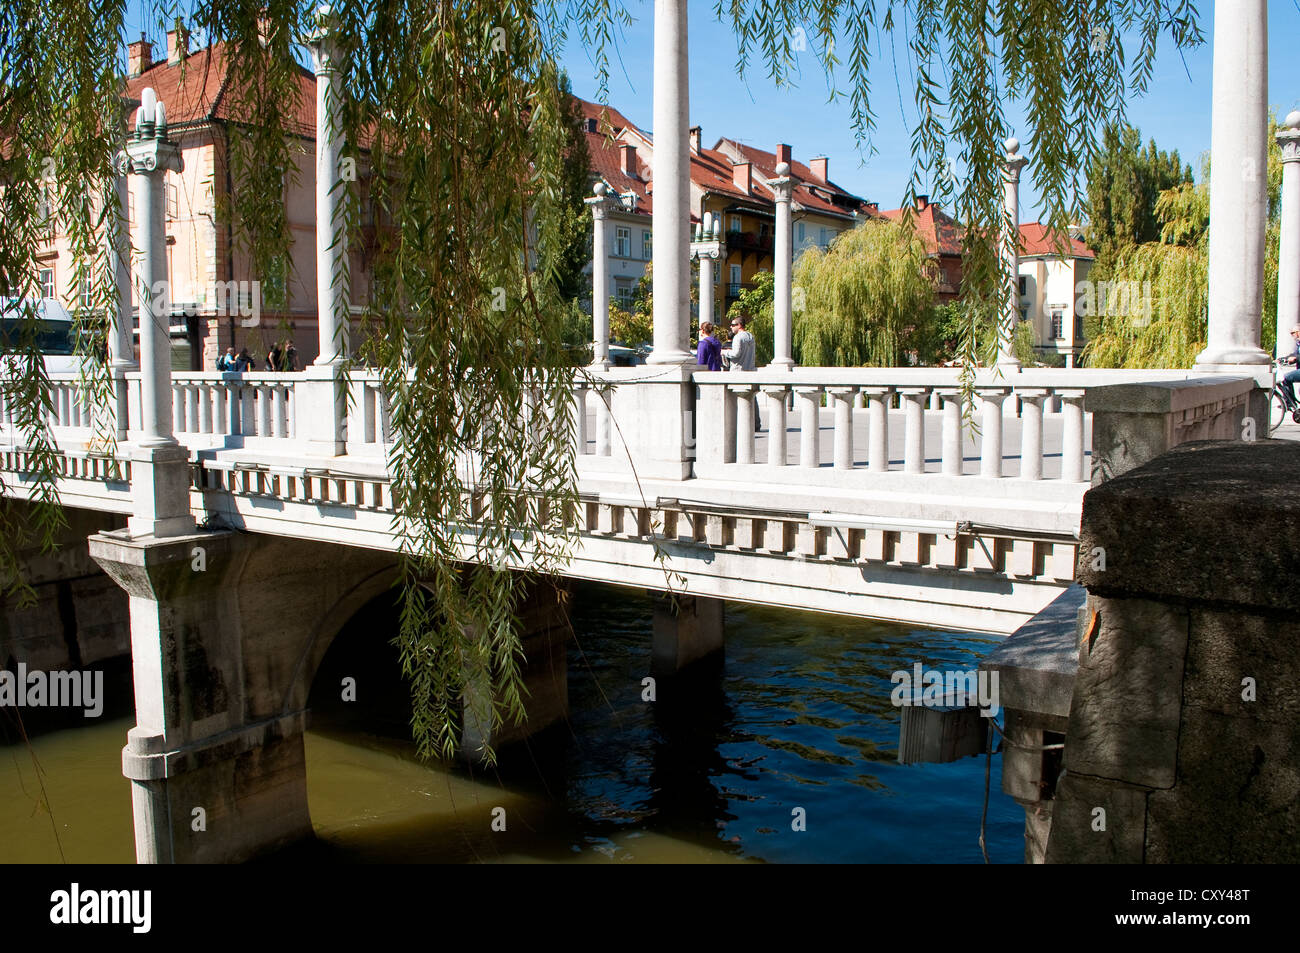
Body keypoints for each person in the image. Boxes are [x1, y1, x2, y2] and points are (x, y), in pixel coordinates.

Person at [722, 314, 760, 430]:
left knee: (736, 399)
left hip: (738, 370)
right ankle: (755, 423)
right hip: (750, 369)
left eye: (733, 325)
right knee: (752, 398)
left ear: (739, 325)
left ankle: (738, 423)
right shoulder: (750, 336)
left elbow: (736, 354)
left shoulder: (738, 337)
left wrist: (724, 352)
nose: (731, 327)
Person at [1282, 325, 1300, 404]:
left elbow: (1296, 356)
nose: (1292, 335)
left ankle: (1289, 403)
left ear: (1298, 332)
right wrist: (1283, 358)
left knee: (1286, 378)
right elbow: (1294, 354)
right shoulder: (1298, 343)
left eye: (1293, 333)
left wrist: (1295, 359)